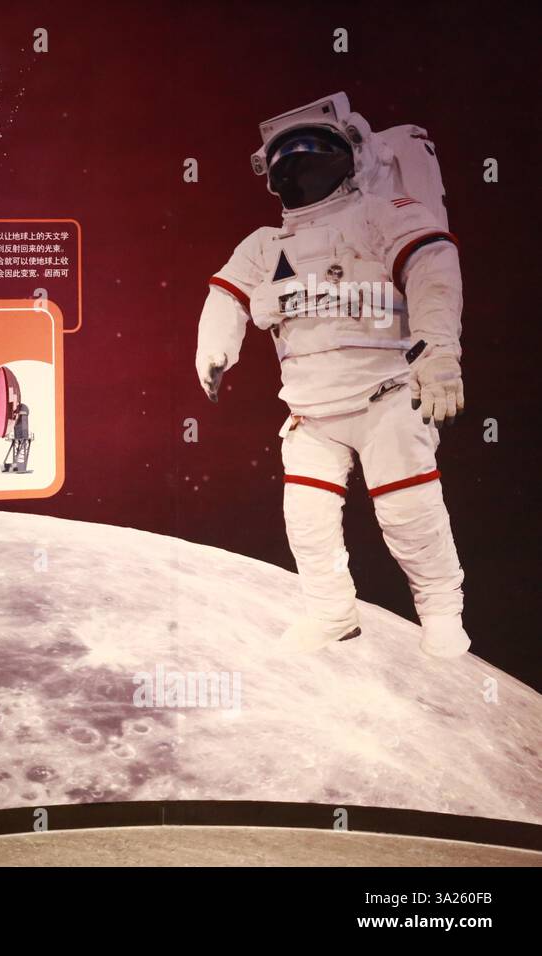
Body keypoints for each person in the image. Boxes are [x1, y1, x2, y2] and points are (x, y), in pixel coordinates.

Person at [195, 92, 470, 658]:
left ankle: (441, 609)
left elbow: (431, 266)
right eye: (287, 159)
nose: (299, 164)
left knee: (408, 512)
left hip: (386, 396)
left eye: (314, 153)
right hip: (311, 411)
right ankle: (331, 612)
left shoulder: (382, 214)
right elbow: (228, 295)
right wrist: (215, 350)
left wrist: (439, 350)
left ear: (351, 157)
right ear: (272, 176)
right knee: (307, 521)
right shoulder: (267, 244)